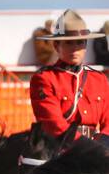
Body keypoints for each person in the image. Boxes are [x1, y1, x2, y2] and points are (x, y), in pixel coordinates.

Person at [29, 9, 108, 141]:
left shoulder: (99, 80)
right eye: (68, 42)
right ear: (56, 45)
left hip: (95, 148)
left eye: (80, 42)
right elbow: (53, 125)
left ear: (85, 45)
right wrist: (87, 147)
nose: (75, 48)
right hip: (59, 149)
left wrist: (104, 143)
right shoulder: (44, 79)